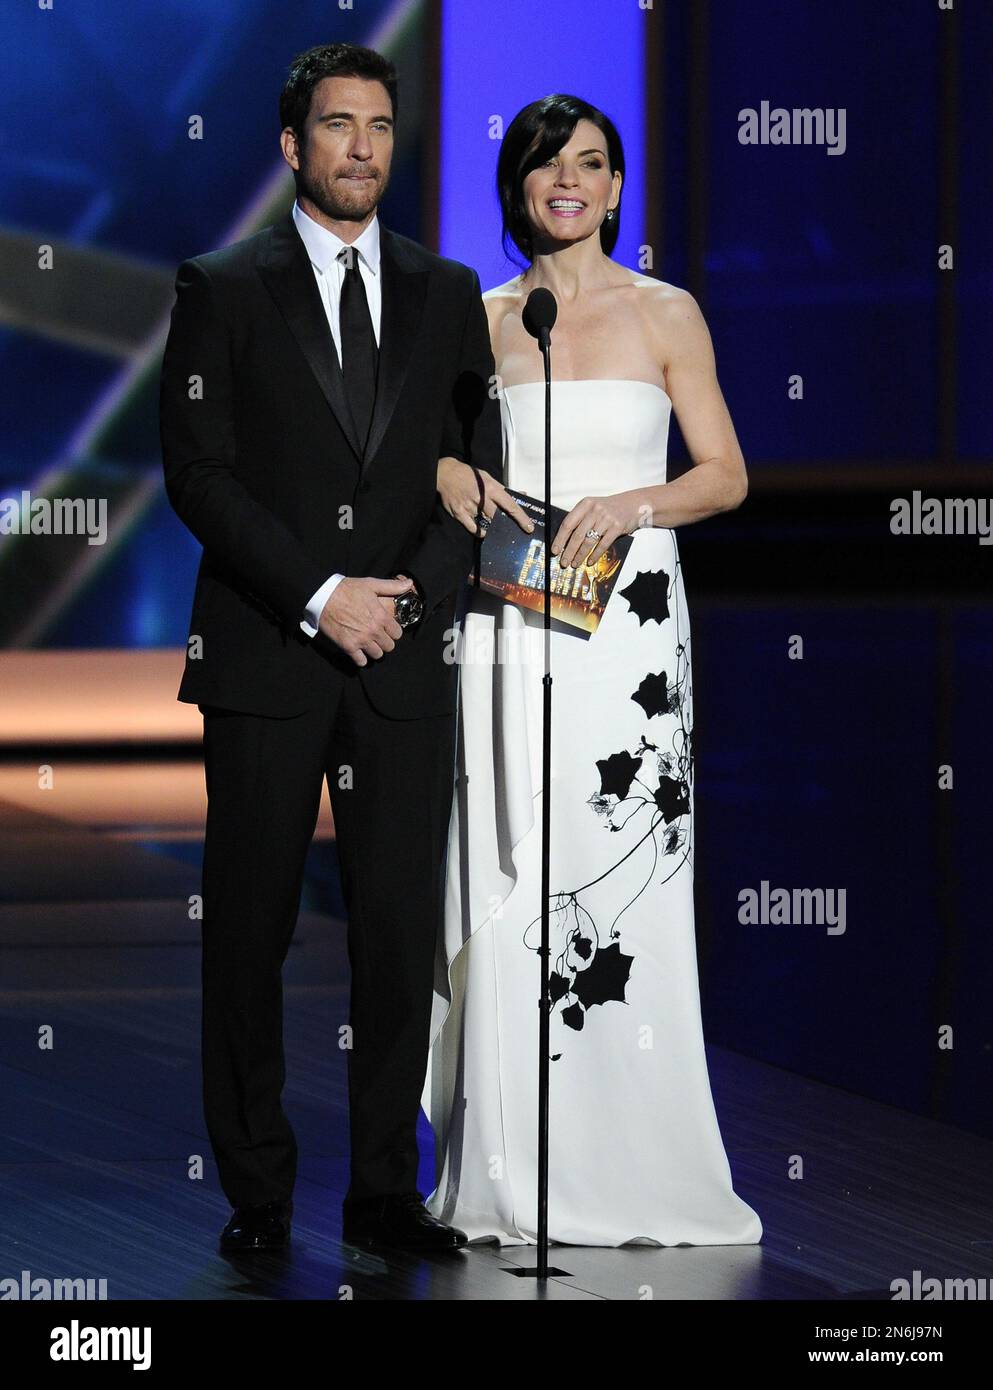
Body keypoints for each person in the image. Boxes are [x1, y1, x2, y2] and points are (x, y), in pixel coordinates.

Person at [159, 42, 501, 1253]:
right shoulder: (222, 285)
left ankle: (381, 1191)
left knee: (398, 928)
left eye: (380, 127)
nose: (364, 147)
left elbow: (481, 479)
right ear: (294, 145)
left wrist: (409, 597)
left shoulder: (446, 292)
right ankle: (257, 1193)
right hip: (267, 649)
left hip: (402, 657)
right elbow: (195, 474)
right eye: (339, 126)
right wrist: (319, 594)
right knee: (249, 927)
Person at [420, 94, 763, 1247]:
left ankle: (636, 1163)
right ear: (517, 187)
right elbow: (439, 458)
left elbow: (725, 475)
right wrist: (456, 483)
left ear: (617, 188)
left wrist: (632, 500)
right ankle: (505, 1170)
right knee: (509, 864)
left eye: (591, 163)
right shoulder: (480, 315)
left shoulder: (668, 311)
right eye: (545, 164)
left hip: (630, 637)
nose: (568, 180)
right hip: (514, 626)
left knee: (620, 885)